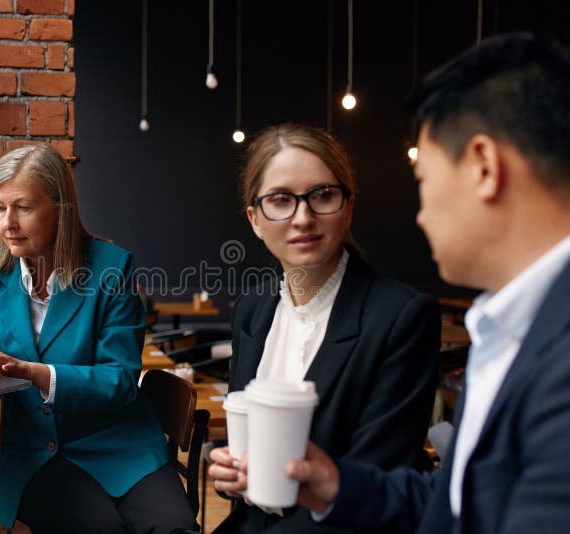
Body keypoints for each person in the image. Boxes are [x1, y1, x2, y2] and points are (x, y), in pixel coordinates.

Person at [286, 33, 570, 533]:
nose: (421, 216)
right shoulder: (508, 327)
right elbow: (463, 498)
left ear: (484, 166)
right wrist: (337, 485)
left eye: (425, 179)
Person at [0, 144, 197, 533]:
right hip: (29, 450)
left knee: (176, 529)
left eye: (23, 207)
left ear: (61, 209)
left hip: (116, 441)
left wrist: (33, 372)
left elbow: (120, 380)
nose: (7, 223)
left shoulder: (112, 270)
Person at [207, 123, 441, 533]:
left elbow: (371, 488)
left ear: (348, 206)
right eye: (281, 200)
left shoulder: (402, 317)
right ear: (255, 219)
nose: (303, 218)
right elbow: (249, 453)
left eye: (323, 196)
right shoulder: (251, 310)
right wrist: (232, 475)